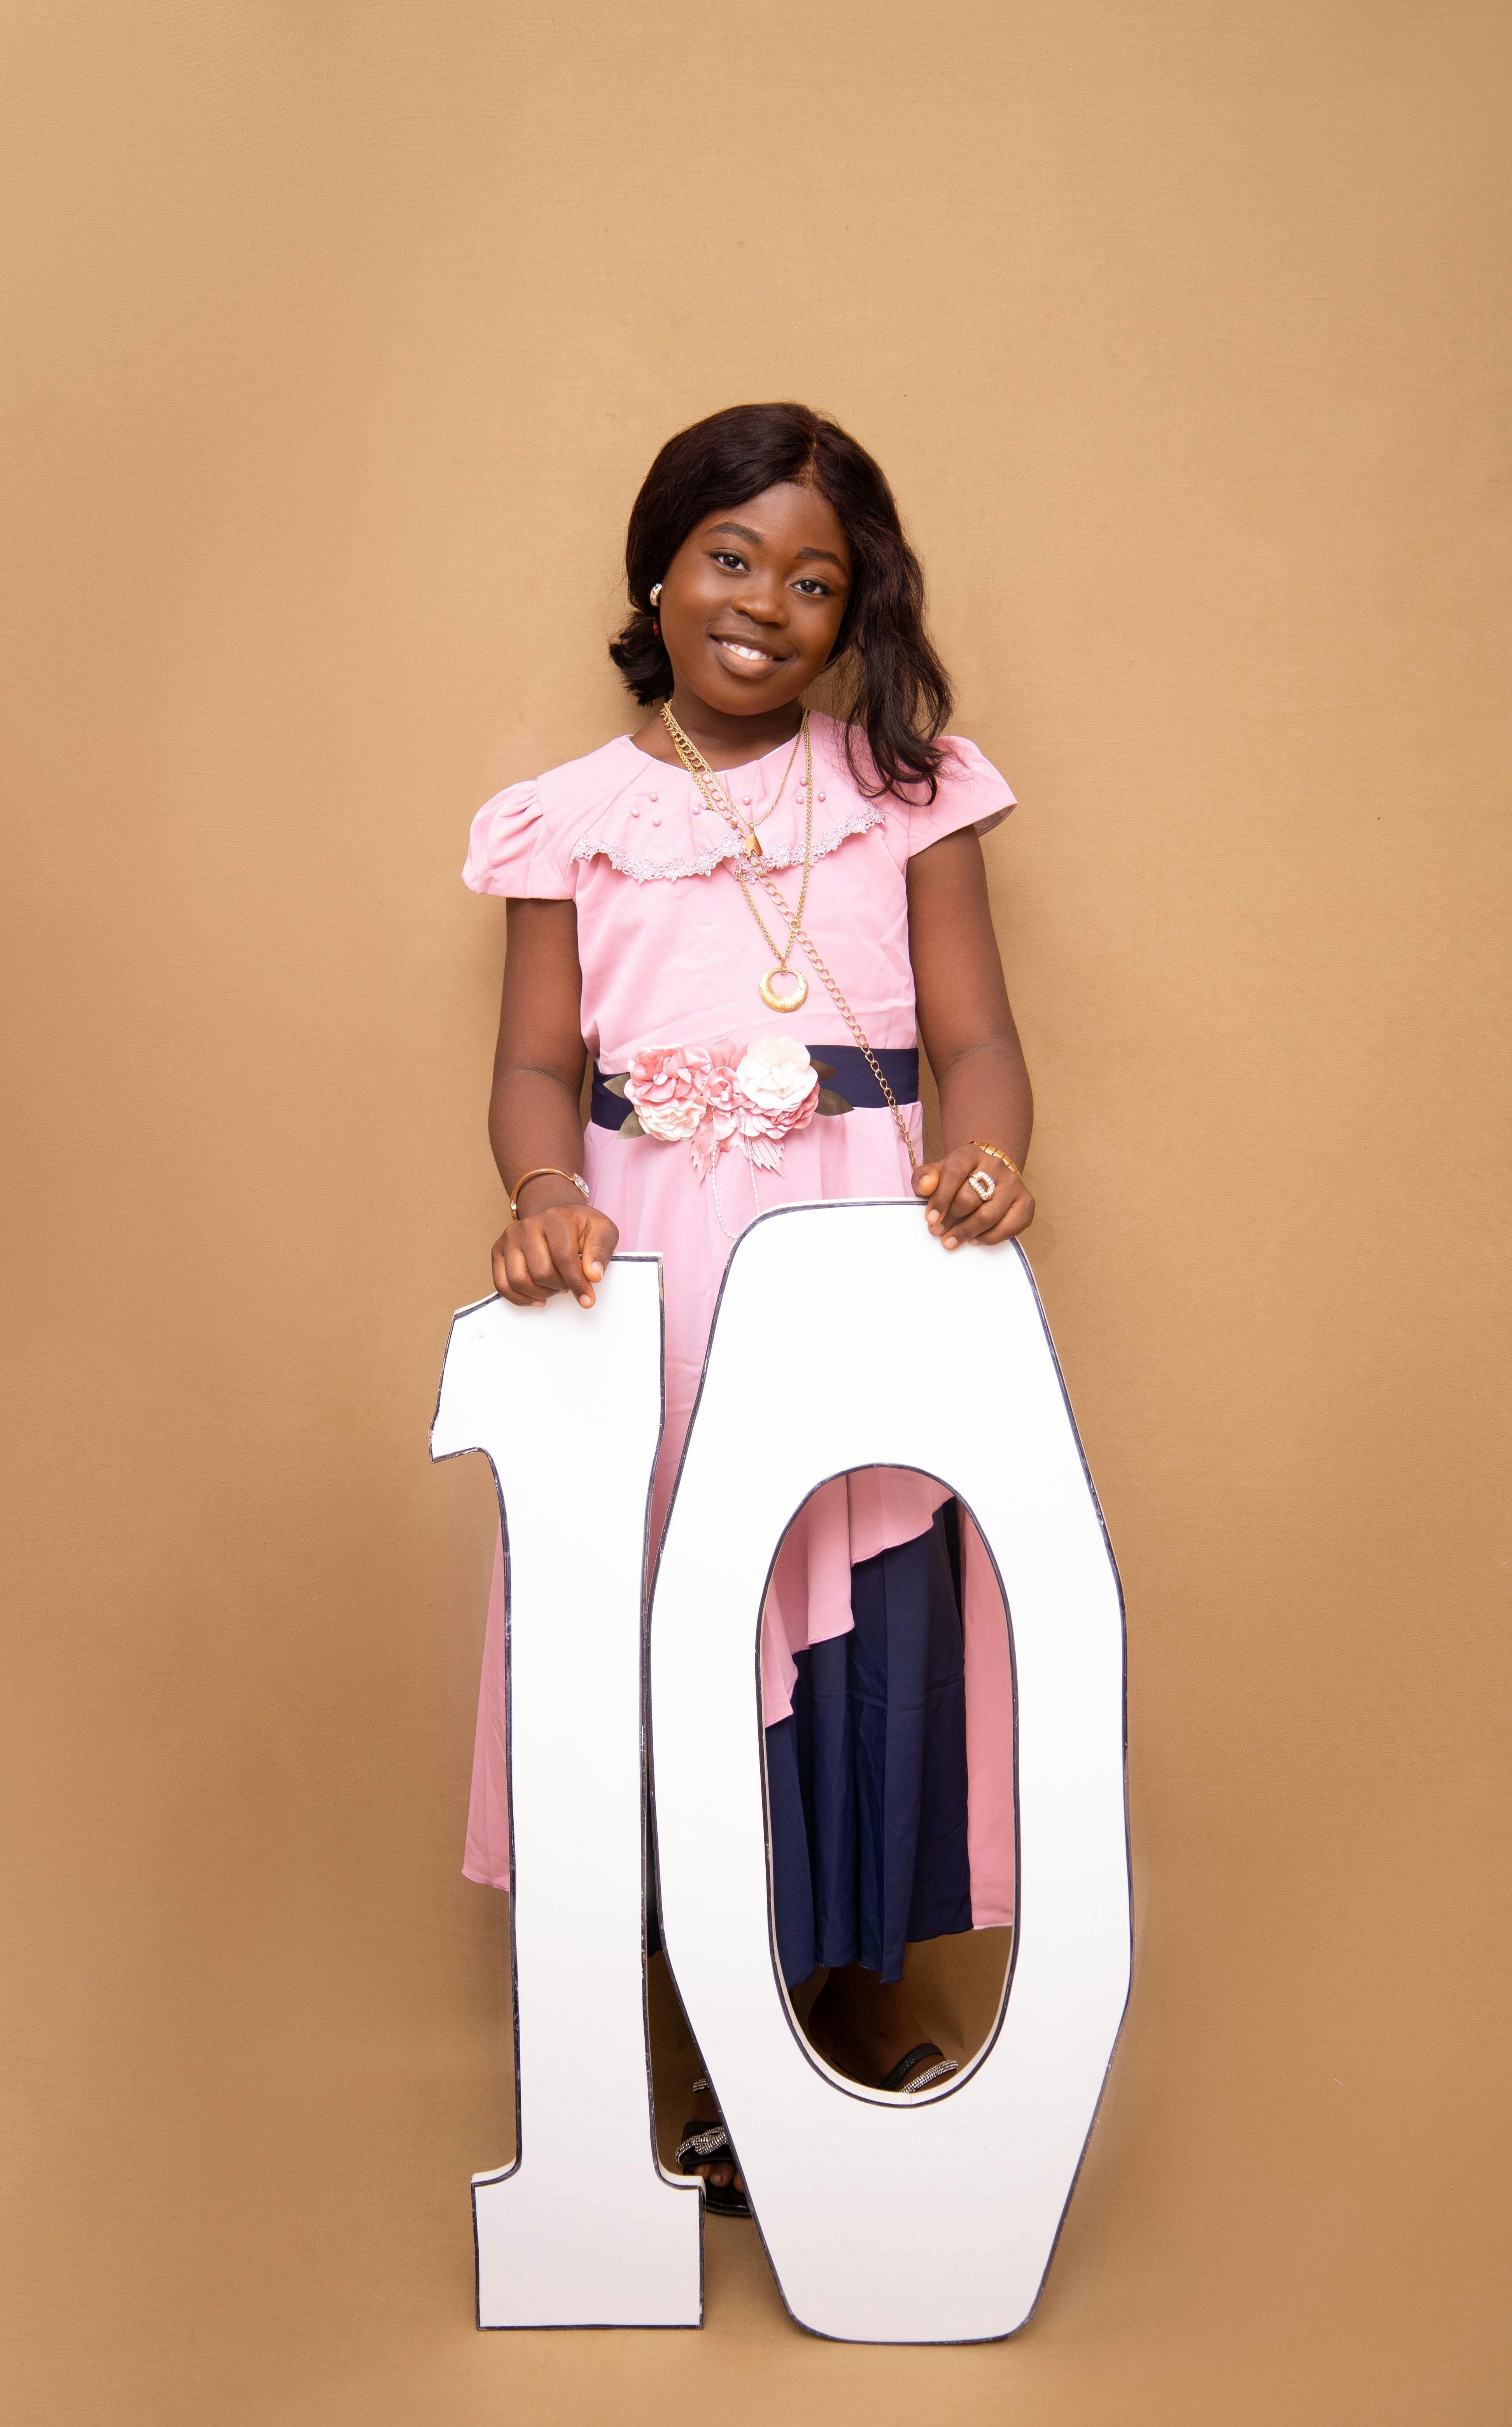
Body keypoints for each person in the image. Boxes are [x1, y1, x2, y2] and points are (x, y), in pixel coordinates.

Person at [461, 402, 1033, 2215]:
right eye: (731, 557)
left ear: (849, 612)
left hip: (860, 1254)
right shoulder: (567, 821)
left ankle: (842, 2037)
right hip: (652, 1283)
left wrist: (991, 1158)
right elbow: (537, 1070)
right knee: (670, 1648)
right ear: (660, 563)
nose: (765, 604)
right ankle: (705, 2061)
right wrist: (547, 1194)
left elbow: (974, 1041)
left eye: (813, 579)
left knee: (853, 1620)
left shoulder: (910, 792)